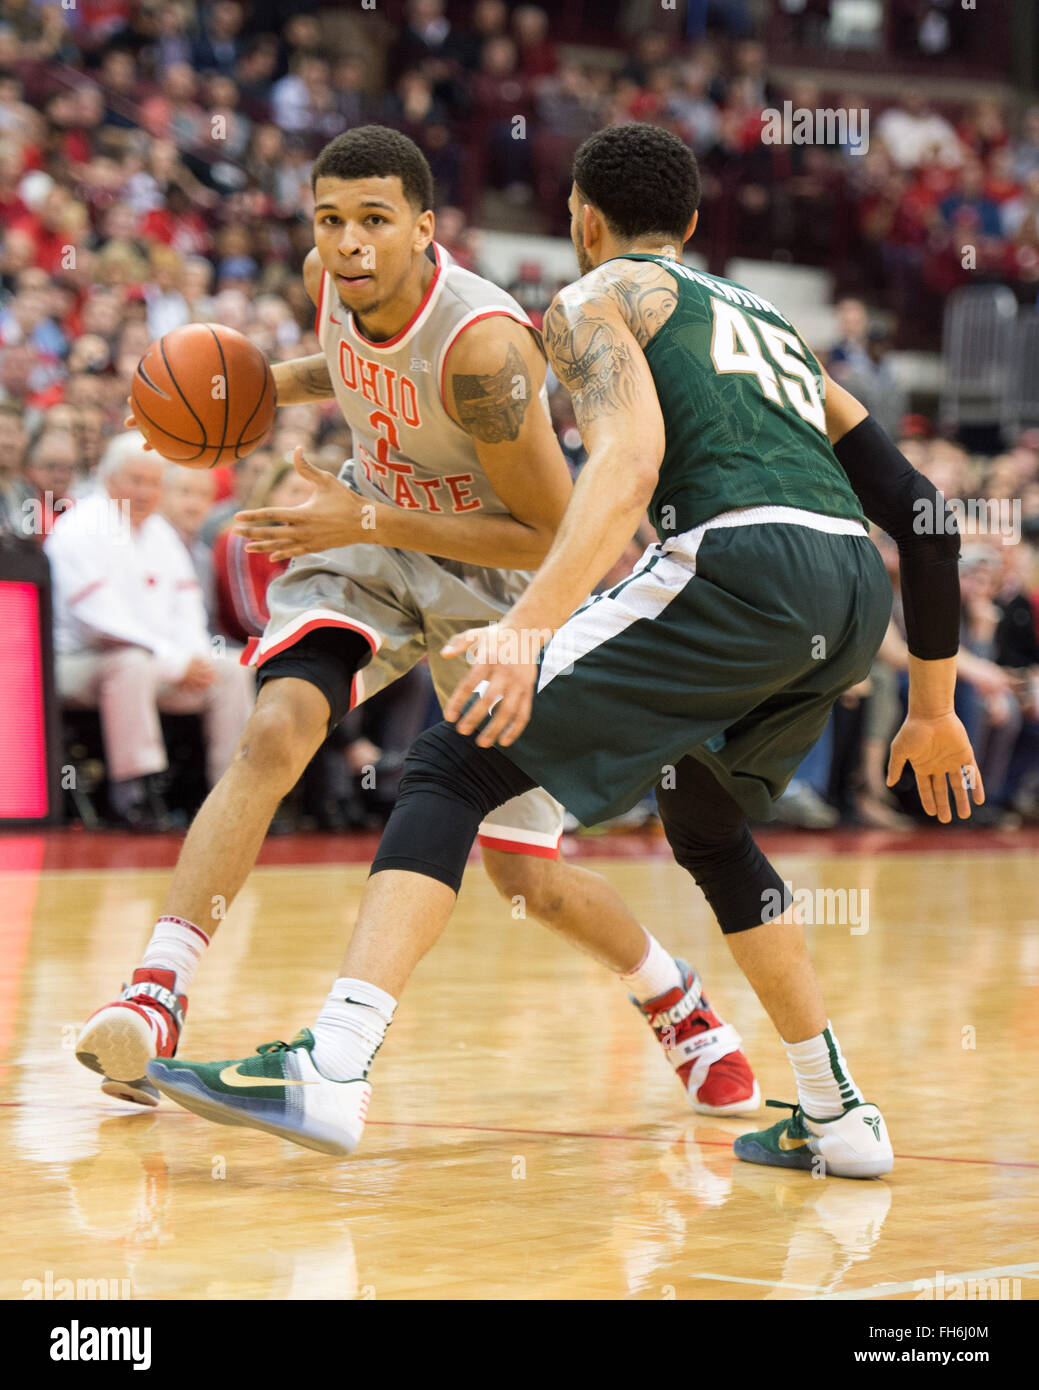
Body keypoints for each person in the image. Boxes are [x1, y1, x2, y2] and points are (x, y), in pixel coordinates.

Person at [143, 125, 981, 1178]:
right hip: (851, 590)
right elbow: (920, 510)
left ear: (583, 220)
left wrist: (526, 626)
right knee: (706, 821)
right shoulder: (770, 323)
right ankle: (837, 1113)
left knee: (454, 758)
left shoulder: (594, 298)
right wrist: (934, 704)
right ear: (687, 225)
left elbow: (623, 465)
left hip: (733, 562)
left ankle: (334, 1061)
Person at [76, 126, 759, 1117]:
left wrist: (359, 513)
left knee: (526, 876)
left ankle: (673, 996)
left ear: (425, 228)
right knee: (276, 727)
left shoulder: (485, 350)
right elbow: (348, 365)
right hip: (369, 541)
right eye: (329, 220)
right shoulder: (334, 277)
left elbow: (546, 534)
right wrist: (249, 384)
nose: (347, 243)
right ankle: (157, 991)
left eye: (372, 222)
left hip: (493, 588)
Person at [45, 432, 255, 839]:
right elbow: (100, 621)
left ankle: (229, 797)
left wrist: (196, 658)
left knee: (231, 672)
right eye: (135, 480)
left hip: (162, 663)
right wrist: (175, 660)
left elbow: (188, 607)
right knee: (132, 665)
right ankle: (133, 794)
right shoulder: (81, 527)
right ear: (108, 479)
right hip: (79, 663)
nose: (145, 491)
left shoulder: (160, 532)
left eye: (153, 482)